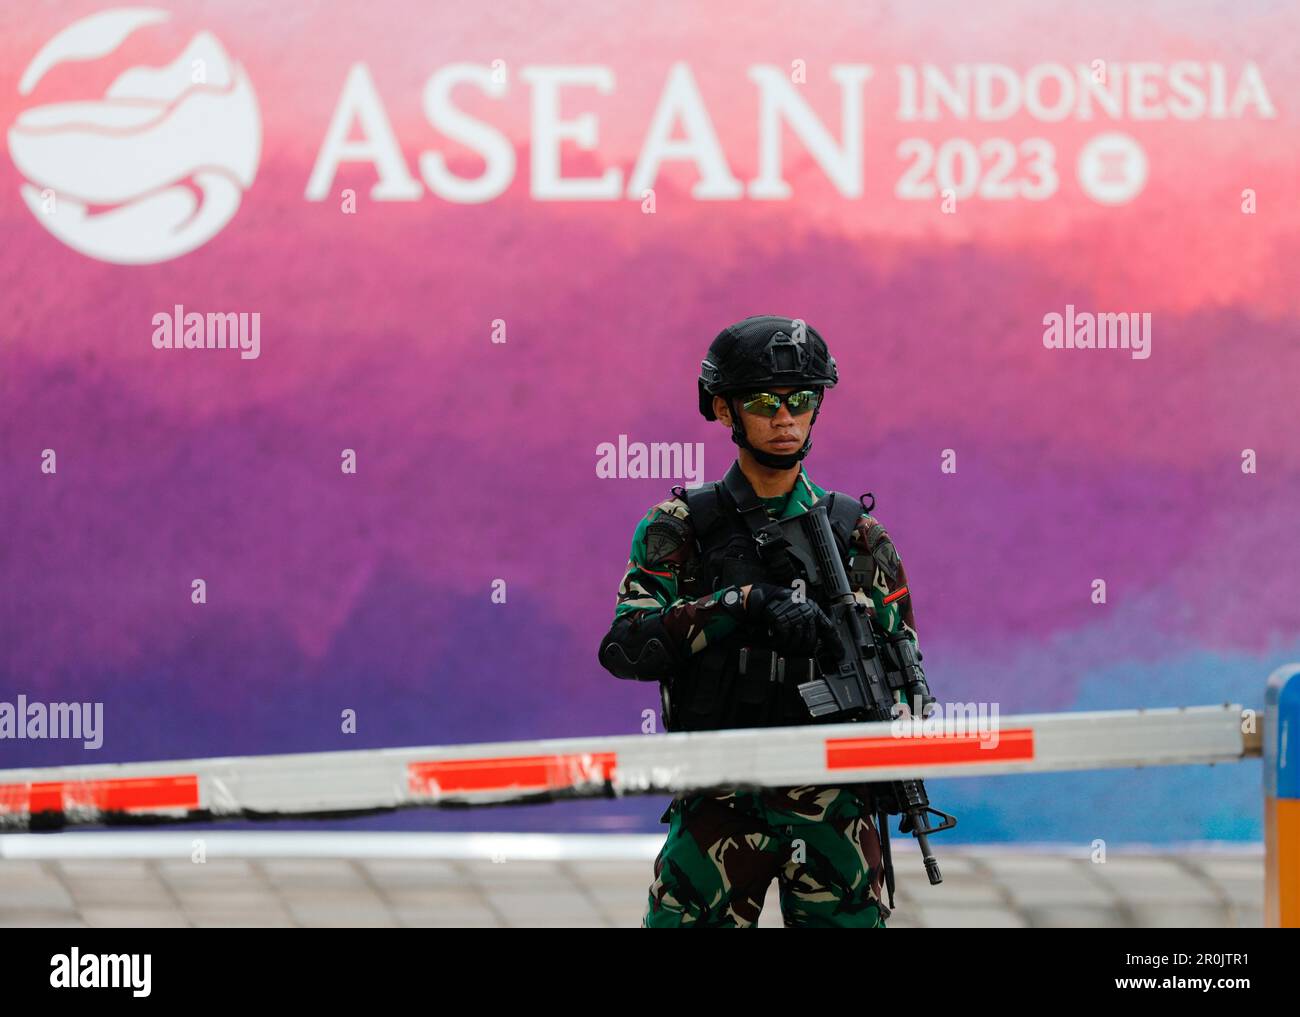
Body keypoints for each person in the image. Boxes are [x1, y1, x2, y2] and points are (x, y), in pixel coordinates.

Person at [597, 314, 923, 928]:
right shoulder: (681, 528)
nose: (784, 417)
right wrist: (738, 606)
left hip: (833, 803)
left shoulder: (857, 535)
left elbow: (905, 666)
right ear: (724, 410)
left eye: (801, 399)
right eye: (764, 402)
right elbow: (626, 649)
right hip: (720, 795)